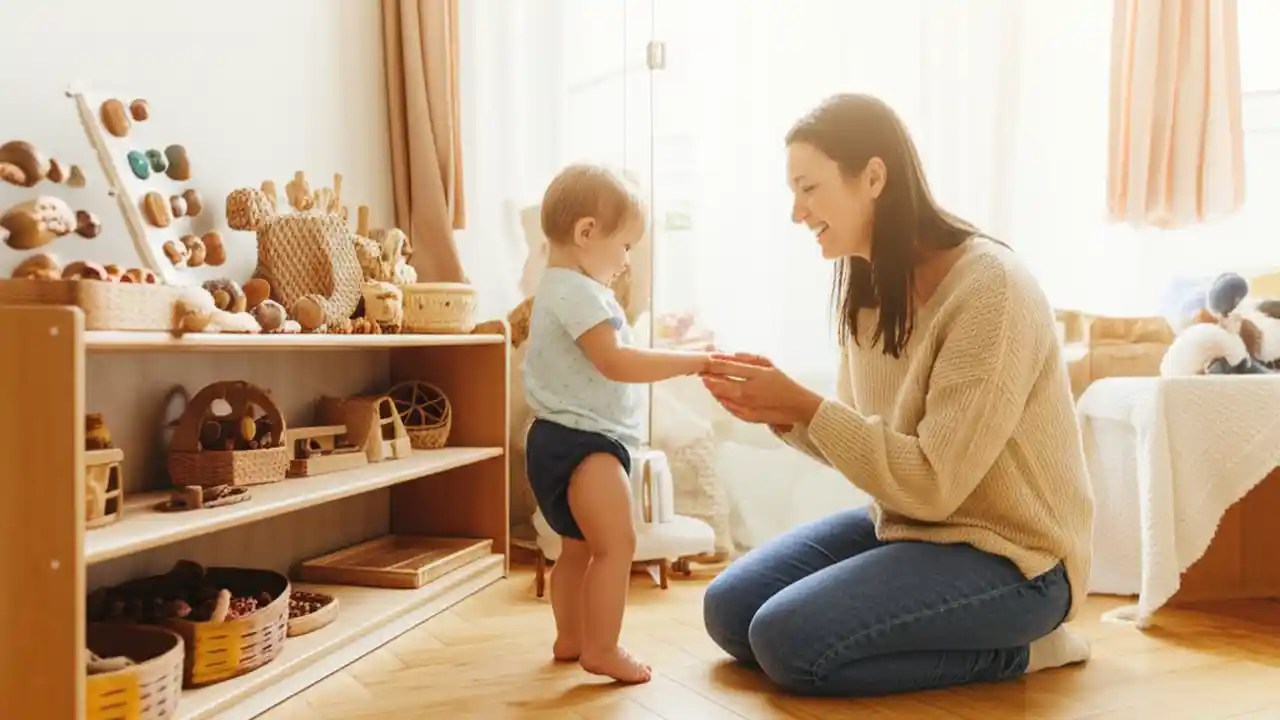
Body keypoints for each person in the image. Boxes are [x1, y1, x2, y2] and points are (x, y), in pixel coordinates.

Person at [698, 93, 1095, 697]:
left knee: (787, 641)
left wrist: (806, 407)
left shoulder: (992, 290)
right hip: (912, 526)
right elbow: (867, 441)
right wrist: (782, 410)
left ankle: (1026, 649)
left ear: (874, 177)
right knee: (729, 612)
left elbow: (934, 484)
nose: (797, 213)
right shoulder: (867, 284)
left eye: (809, 188)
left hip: (1017, 559)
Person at [523, 164, 713, 684]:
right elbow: (617, 361)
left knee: (577, 548)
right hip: (586, 445)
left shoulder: (556, 287)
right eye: (626, 246)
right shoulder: (580, 293)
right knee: (617, 547)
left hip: (552, 441)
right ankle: (602, 648)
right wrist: (688, 362)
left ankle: (571, 636)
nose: (628, 261)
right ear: (586, 234)